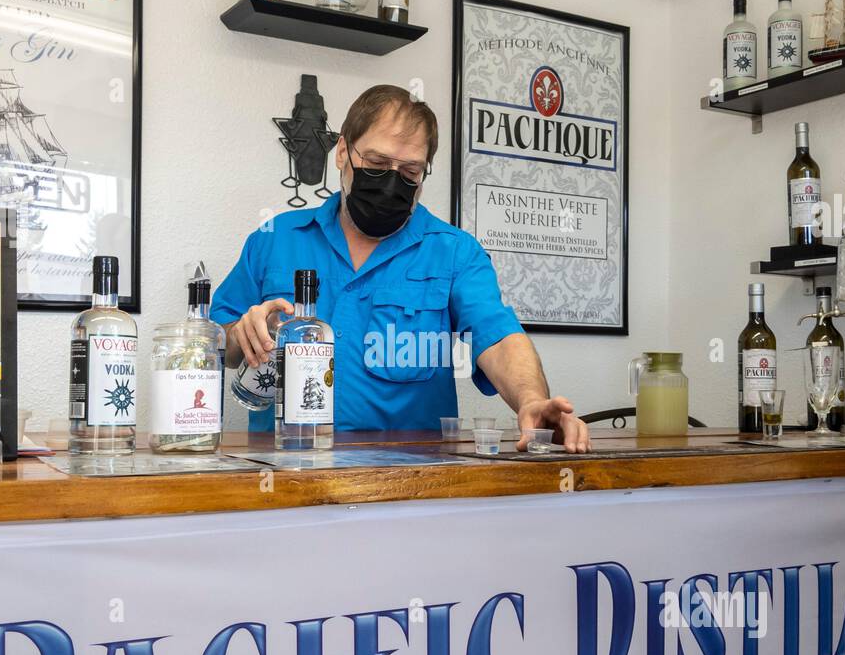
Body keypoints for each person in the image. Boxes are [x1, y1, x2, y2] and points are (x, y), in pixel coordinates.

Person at [212, 84, 592, 453]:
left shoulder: (455, 252)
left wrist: (530, 400)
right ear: (342, 151)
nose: (391, 181)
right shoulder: (274, 238)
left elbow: (497, 336)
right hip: (284, 471)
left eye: (410, 172)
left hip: (407, 486)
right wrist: (239, 335)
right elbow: (217, 344)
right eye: (376, 163)